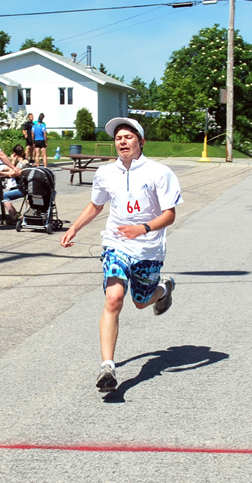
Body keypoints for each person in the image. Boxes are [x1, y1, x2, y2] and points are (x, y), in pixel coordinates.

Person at [60, 117, 183, 392]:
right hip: (116, 245)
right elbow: (96, 205)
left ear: (141, 141)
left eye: (128, 136)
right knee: (114, 298)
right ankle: (108, 367)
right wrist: (74, 228)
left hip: (149, 248)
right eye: (118, 138)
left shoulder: (159, 172)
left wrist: (143, 228)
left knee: (140, 302)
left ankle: (163, 289)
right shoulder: (106, 173)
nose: (122, 142)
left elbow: (170, 215)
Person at [0, 144, 31, 223]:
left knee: (4, 196)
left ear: (14, 154)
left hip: (23, 188)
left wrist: (12, 161)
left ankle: (12, 216)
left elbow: (11, 174)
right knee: (7, 194)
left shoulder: (21, 164)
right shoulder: (26, 161)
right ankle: (16, 214)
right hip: (29, 187)